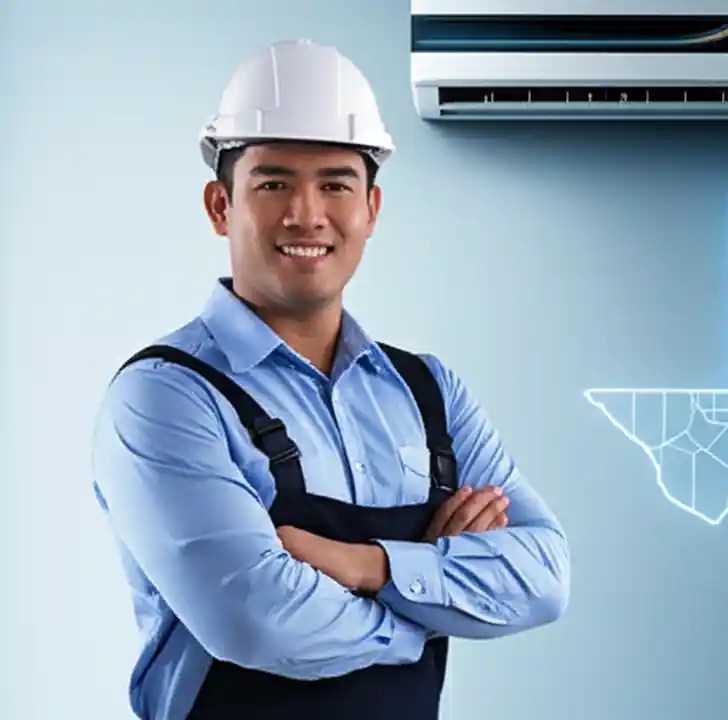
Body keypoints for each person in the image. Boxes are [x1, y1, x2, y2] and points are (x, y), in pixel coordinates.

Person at [90, 39, 571, 720]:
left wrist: (366, 565)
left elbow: (544, 579)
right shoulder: (165, 396)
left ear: (372, 208)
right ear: (220, 206)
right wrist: (435, 597)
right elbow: (257, 621)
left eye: (335, 185)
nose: (306, 215)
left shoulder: (431, 393)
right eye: (274, 183)